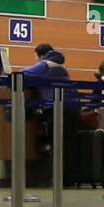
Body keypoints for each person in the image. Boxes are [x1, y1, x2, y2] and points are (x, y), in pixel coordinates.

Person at [24, 43, 80, 187]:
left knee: (58, 144)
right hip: (72, 107)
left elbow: (22, 74)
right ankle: (68, 179)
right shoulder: (61, 67)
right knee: (69, 144)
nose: (36, 60)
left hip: (58, 108)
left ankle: (58, 179)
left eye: (36, 57)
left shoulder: (45, 65)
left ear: (41, 55)